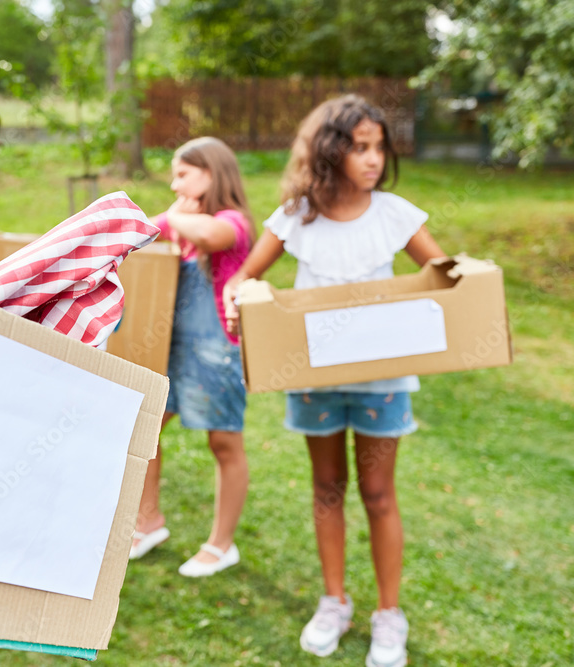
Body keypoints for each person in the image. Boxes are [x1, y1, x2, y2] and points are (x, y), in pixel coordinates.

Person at [223, 95, 445, 667]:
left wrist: (467, 285)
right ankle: (334, 601)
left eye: (379, 148)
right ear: (329, 150)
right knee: (327, 490)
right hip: (314, 379)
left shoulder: (395, 214)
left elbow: (443, 275)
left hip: (383, 380)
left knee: (377, 493)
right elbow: (246, 278)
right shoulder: (297, 217)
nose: (373, 159)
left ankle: (388, 615)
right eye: (359, 147)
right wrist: (242, 303)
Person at [131, 137, 255, 577]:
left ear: (211, 174)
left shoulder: (231, 222)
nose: (174, 183)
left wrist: (177, 215)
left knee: (224, 443)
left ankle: (222, 545)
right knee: (145, 430)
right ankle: (148, 522)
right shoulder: (182, 221)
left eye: (182, 174)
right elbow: (140, 233)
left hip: (217, 350)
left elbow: (206, 233)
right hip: (172, 346)